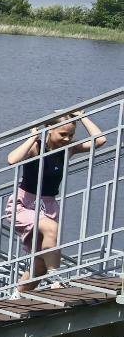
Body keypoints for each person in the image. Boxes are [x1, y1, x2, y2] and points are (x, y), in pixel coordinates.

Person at [8, 114, 108, 291]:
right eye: (63, 134)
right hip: (24, 204)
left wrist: (83, 116)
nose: (67, 139)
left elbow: (100, 140)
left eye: (71, 135)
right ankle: (56, 278)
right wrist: (33, 137)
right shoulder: (36, 148)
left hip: (48, 205)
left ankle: (17, 295)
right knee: (51, 229)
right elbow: (12, 160)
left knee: (40, 264)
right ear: (49, 130)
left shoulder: (68, 149)